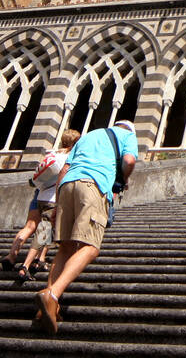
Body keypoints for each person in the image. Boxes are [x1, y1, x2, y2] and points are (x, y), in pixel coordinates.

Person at [35, 120, 137, 333]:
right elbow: (128, 160)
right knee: (90, 247)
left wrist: (57, 202)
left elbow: (65, 167)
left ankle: (46, 307)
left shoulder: (88, 135)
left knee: (65, 247)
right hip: (93, 185)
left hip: (66, 187)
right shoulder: (127, 136)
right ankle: (52, 295)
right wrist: (124, 178)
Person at [4, 128, 79, 277]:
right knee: (45, 231)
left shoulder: (52, 154)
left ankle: (12, 255)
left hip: (39, 196)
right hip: (53, 199)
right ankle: (28, 264)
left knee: (30, 226)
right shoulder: (70, 158)